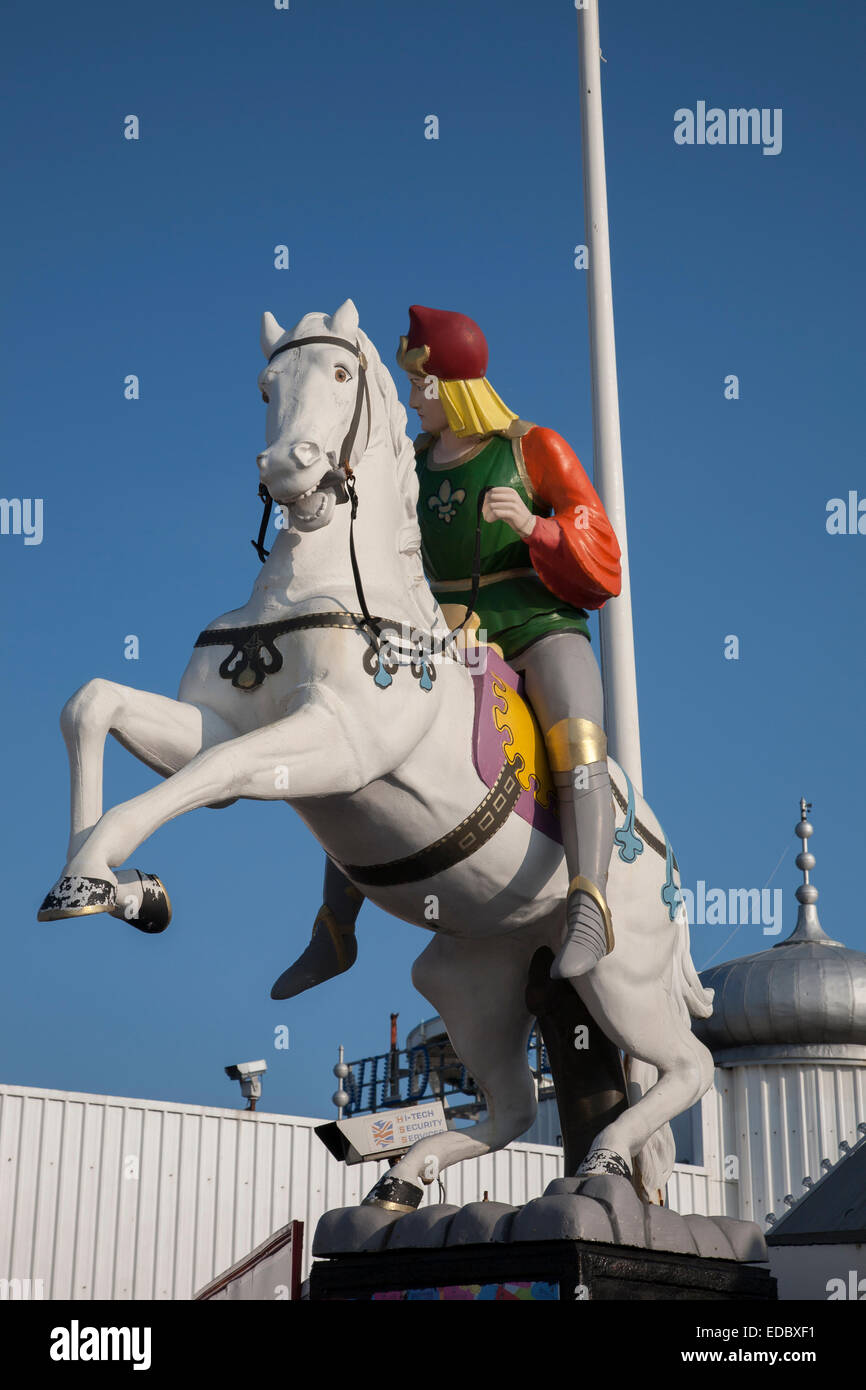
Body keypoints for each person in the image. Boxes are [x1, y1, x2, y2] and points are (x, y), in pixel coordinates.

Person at [271, 305, 622, 1000]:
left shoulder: (531, 449)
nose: (413, 398)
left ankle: (589, 900)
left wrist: (536, 528)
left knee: (577, 738)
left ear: (456, 386)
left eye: (423, 386)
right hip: (447, 634)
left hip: (537, 625)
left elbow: (605, 556)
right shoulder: (414, 465)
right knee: (364, 733)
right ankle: (334, 930)